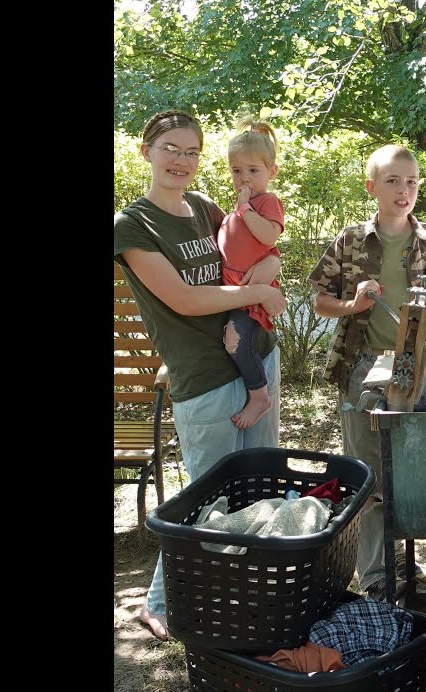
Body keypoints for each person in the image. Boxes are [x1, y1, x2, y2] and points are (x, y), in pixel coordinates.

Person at [114, 110, 288, 641]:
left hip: (258, 355)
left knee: (259, 488)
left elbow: (259, 246)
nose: (181, 161)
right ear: (147, 151)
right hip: (203, 377)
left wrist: (272, 270)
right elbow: (185, 299)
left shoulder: (207, 208)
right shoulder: (132, 226)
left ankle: (250, 590)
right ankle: (163, 600)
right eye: (170, 148)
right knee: (206, 497)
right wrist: (259, 292)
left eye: (191, 152)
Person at [308, 144, 426, 598]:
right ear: (372, 187)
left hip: (416, 368)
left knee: (410, 468)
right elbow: (318, 300)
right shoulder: (351, 240)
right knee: (367, 472)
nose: (404, 190)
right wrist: (353, 304)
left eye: (411, 181)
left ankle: (407, 565)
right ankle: (375, 576)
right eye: (393, 181)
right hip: (360, 366)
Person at [218, 116, 286, 430]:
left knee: (235, 341)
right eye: (237, 171)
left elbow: (268, 237)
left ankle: (259, 395)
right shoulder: (239, 206)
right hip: (235, 292)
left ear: (271, 172)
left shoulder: (266, 202)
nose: (244, 178)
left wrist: (245, 209)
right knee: (233, 340)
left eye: (253, 171)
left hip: (250, 296)